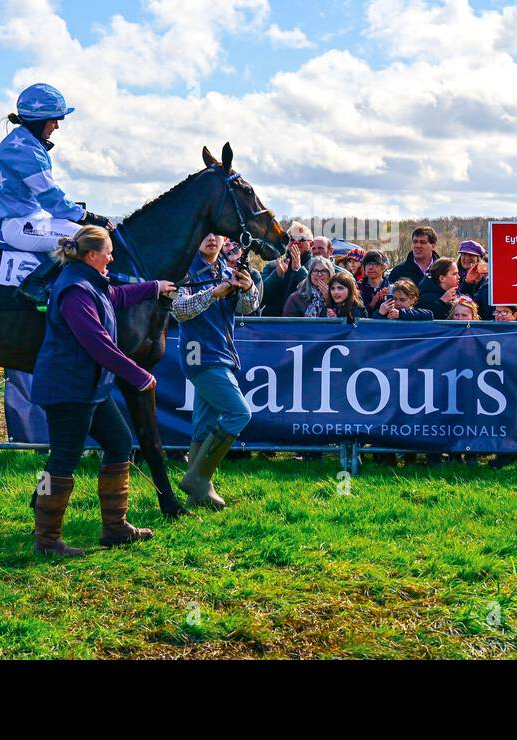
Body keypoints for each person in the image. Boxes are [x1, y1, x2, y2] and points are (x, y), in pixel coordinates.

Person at [29, 226, 174, 556]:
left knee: (120, 442)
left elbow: (118, 297)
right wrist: (137, 375)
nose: (113, 257)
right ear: (92, 255)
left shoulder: (90, 282)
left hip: (91, 388)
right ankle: (47, 541)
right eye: (108, 251)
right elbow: (97, 343)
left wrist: (155, 287)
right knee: (63, 459)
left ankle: (115, 528)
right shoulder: (75, 290)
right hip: (67, 389)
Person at [0, 83, 115, 303]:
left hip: (31, 219)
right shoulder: (24, 150)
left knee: (82, 232)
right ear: (38, 121)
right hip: (18, 225)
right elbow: (51, 199)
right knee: (82, 239)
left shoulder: (27, 142)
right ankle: (36, 283)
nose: (56, 126)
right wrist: (88, 217)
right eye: (54, 120)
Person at [171, 232, 261, 510]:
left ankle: (195, 496)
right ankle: (197, 478)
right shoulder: (184, 269)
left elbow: (248, 308)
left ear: (224, 240)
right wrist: (213, 292)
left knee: (204, 425)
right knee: (239, 413)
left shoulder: (226, 269)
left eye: (217, 235)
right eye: (205, 234)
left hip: (222, 353)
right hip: (200, 355)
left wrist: (248, 289)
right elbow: (178, 310)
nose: (211, 239)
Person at [260, 221, 311, 316]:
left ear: (311, 244)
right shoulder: (272, 266)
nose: (296, 241)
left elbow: (315, 294)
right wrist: (276, 275)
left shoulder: (316, 267)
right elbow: (261, 297)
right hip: (272, 322)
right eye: (292, 238)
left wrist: (299, 270)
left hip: (302, 323)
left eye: (302, 238)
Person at [358, 251, 390, 316]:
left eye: (375, 264)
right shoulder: (357, 287)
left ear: (384, 267)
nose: (370, 267)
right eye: (367, 264)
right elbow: (356, 314)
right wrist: (372, 304)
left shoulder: (391, 288)